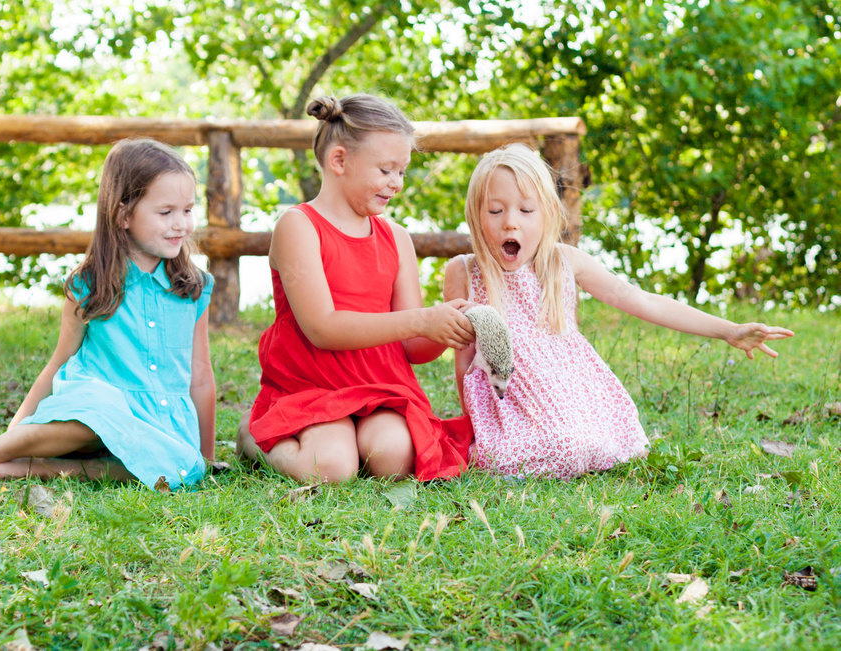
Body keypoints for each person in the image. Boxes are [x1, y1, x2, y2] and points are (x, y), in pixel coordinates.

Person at [444, 143, 794, 480]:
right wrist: (476, 430)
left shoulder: (562, 262)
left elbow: (642, 300)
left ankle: (586, 444)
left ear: (547, 213)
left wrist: (728, 330)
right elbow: (464, 364)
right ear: (476, 216)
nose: (510, 222)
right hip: (514, 410)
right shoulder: (464, 271)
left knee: (593, 447)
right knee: (555, 452)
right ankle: (547, 448)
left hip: (573, 399)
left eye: (526, 210)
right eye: (495, 211)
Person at [0, 139, 216, 488]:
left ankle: (37, 467)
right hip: (95, 408)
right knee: (96, 413)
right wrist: (14, 432)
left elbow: (200, 375)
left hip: (157, 424)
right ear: (123, 215)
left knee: (181, 470)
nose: (181, 224)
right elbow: (59, 362)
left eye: (188, 210)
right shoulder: (90, 285)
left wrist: (204, 457)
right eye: (166, 212)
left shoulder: (193, 287)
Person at [236, 94, 475, 483]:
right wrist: (419, 319)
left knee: (393, 458)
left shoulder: (396, 238)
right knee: (331, 468)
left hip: (379, 384)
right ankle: (254, 434)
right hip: (312, 383)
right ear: (340, 161)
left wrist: (446, 328)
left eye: (402, 172)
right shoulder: (299, 226)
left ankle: (352, 437)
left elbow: (414, 347)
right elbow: (322, 327)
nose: (396, 183)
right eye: (386, 170)